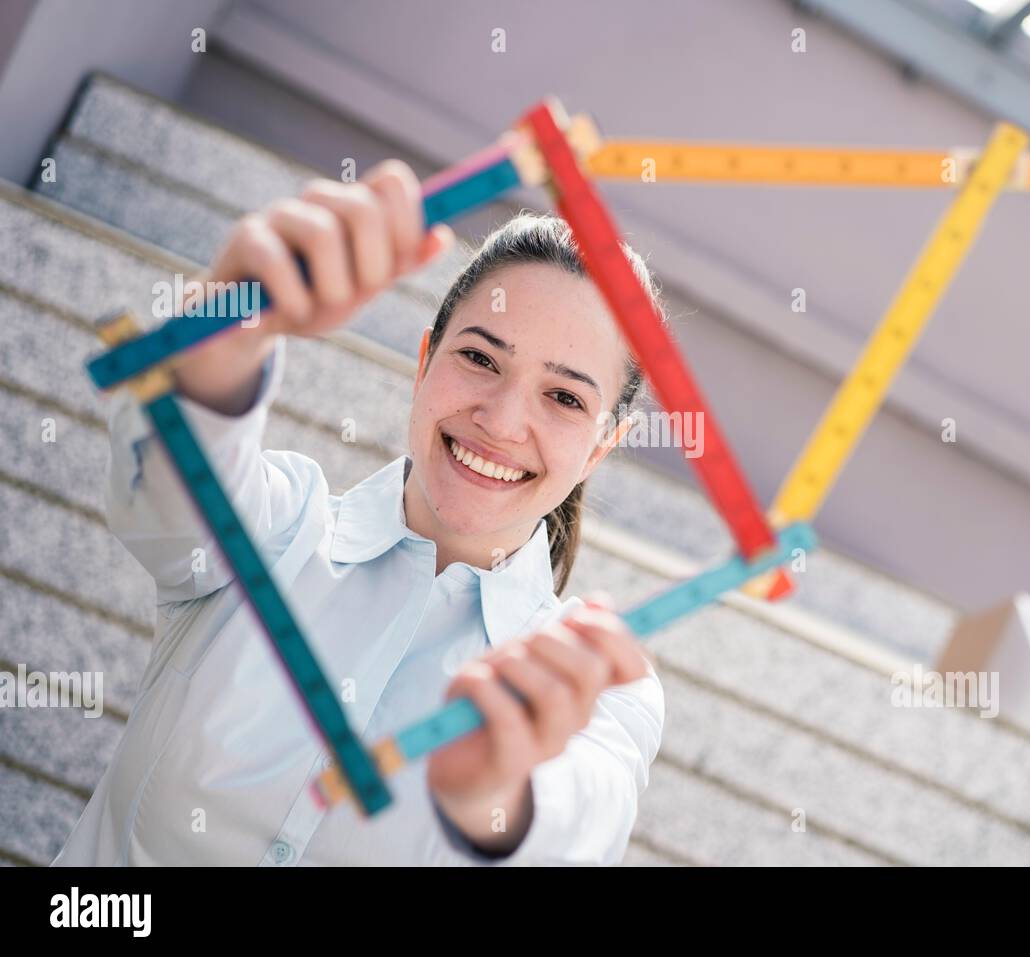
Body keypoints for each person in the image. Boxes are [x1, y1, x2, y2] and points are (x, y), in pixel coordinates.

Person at [52, 159, 666, 866]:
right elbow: (167, 483)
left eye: (564, 398)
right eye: (480, 358)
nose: (500, 420)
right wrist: (228, 319)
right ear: (424, 360)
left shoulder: (598, 684)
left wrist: (497, 795)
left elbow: (584, 820)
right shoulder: (277, 528)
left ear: (601, 447)